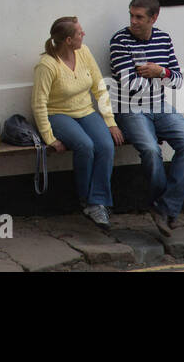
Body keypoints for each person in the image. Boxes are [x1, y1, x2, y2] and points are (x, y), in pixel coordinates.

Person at [107, 0, 184, 237]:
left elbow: (178, 81)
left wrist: (159, 71)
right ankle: (165, 207)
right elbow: (128, 85)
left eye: (139, 17)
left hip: (160, 105)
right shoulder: (120, 41)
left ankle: (164, 208)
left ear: (154, 18)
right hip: (130, 109)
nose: (133, 21)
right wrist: (161, 77)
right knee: (150, 149)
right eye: (131, 15)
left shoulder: (163, 39)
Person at [32, 15, 124, 228]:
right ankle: (87, 200)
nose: (83, 34)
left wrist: (110, 121)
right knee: (85, 146)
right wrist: (49, 137)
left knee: (106, 145)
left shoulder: (84, 52)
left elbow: (99, 87)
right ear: (68, 41)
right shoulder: (47, 65)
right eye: (79, 32)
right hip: (58, 114)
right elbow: (39, 103)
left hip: (85, 111)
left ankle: (98, 202)